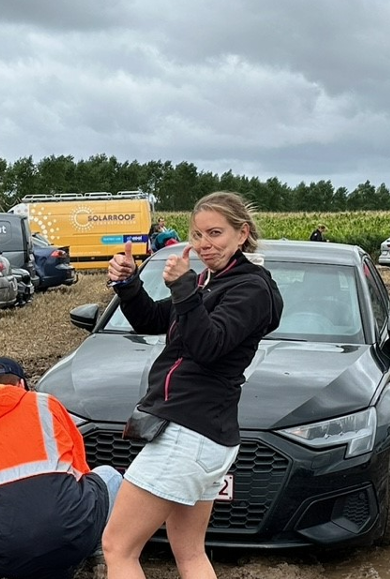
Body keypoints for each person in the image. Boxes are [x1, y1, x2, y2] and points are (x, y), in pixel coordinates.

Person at [102, 191, 284, 579]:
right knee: (189, 552)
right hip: (206, 435)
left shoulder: (250, 289)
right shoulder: (210, 281)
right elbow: (152, 320)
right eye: (198, 234)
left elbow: (208, 346)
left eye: (216, 233)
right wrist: (129, 284)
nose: (205, 244)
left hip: (187, 431)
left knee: (118, 548)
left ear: (242, 234)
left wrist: (184, 289)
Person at [0, 357, 123, 579]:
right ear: (21, 384)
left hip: (0, 555)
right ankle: (97, 552)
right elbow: (81, 470)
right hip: (70, 541)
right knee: (109, 476)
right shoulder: (44, 404)